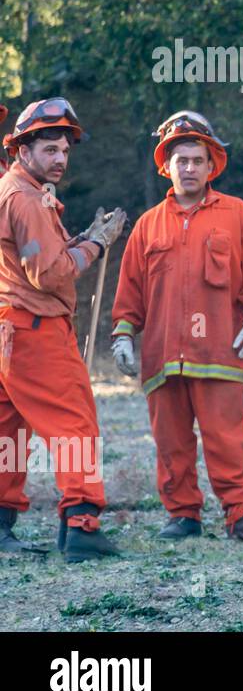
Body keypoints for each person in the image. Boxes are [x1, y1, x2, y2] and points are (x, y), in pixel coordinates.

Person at [111, 111, 243, 542]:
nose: (188, 168)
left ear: (211, 166)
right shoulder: (147, 225)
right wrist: (124, 336)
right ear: (166, 166)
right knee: (171, 443)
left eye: (196, 160)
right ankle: (182, 515)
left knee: (226, 438)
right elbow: (130, 290)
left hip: (219, 352)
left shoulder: (238, 215)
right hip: (163, 356)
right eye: (180, 160)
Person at [0, 97, 126, 561]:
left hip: (9, 331)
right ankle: (81, 526)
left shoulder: (11, 189)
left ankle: (1, 528)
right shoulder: (27, 198)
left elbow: (32, 257)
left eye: (65, 151)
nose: (60, 159)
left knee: (7, 435)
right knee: (73, 424)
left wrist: (78, 239)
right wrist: (95, 243)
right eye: (50, 149)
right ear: (22, 149)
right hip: (37, 332)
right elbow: (48, 274)